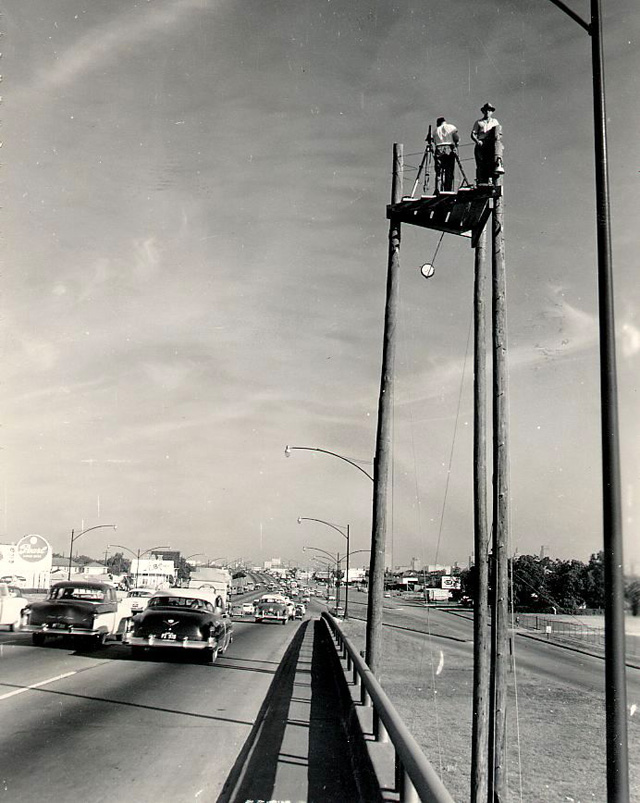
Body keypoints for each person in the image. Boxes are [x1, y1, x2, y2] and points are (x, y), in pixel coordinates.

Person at [471, 102, 504, 184]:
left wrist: (496, 138)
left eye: (489, 111)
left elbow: (499, 133)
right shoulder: (479, 122)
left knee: (493, 160)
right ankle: (483, 181)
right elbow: (473, 134)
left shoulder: (495, 121)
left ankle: (498, 165)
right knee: (481, 164)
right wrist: (477, 141)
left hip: (491, 143)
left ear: (491, 112)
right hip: (481, 143)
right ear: (483, 112)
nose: (487, 112)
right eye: (486, 110)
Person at [433, 116, 460, 192]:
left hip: (438, 148)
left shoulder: (435, 130)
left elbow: (433, 141)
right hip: (448, 147)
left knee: (439, 171)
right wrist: (456, 144)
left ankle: (438, 189)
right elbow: (456, 138)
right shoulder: (451, 127)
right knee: (449, 171)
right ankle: (447, 189)